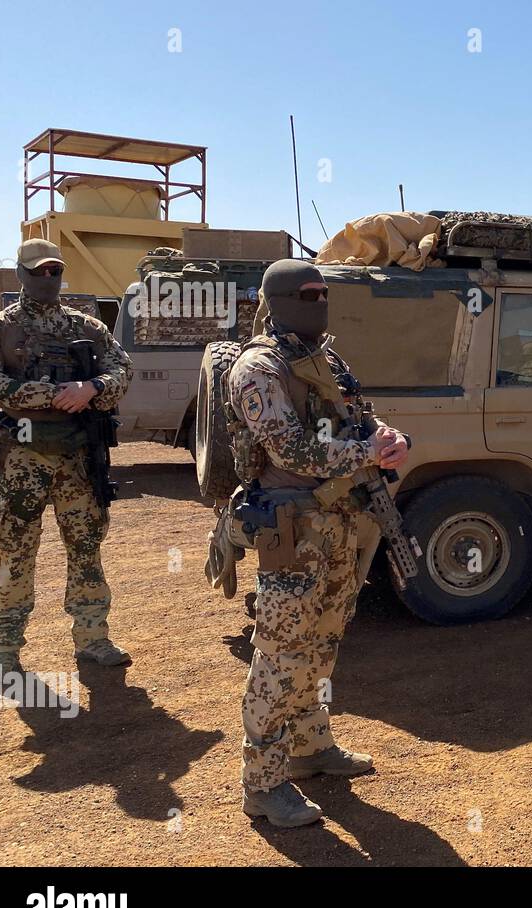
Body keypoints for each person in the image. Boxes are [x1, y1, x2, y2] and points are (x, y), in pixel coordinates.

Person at [227, 259, 409, 827]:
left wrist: (387, 438)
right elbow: (292, 451)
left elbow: (361, 419)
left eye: (324, 294)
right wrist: (367, 454)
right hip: (292, 528)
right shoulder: (257, 369)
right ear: (278, 300)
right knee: (281, 652)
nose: (320, 302)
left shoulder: (326, 358)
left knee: (324, 641)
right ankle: (262, 784)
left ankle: (311, 749)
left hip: (339, 522)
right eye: (308, 294)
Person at [0, 239, 132, 683]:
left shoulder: (86, 327)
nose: (48, 279)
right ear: (21, 275)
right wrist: (55, 396)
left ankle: (93, 639)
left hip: (79, 457)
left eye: (54, 271)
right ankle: (4, 652)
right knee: (17, 552)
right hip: (24, 454)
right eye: (39, 271)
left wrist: (92, 389)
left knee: (86, 548)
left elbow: (122, 370)